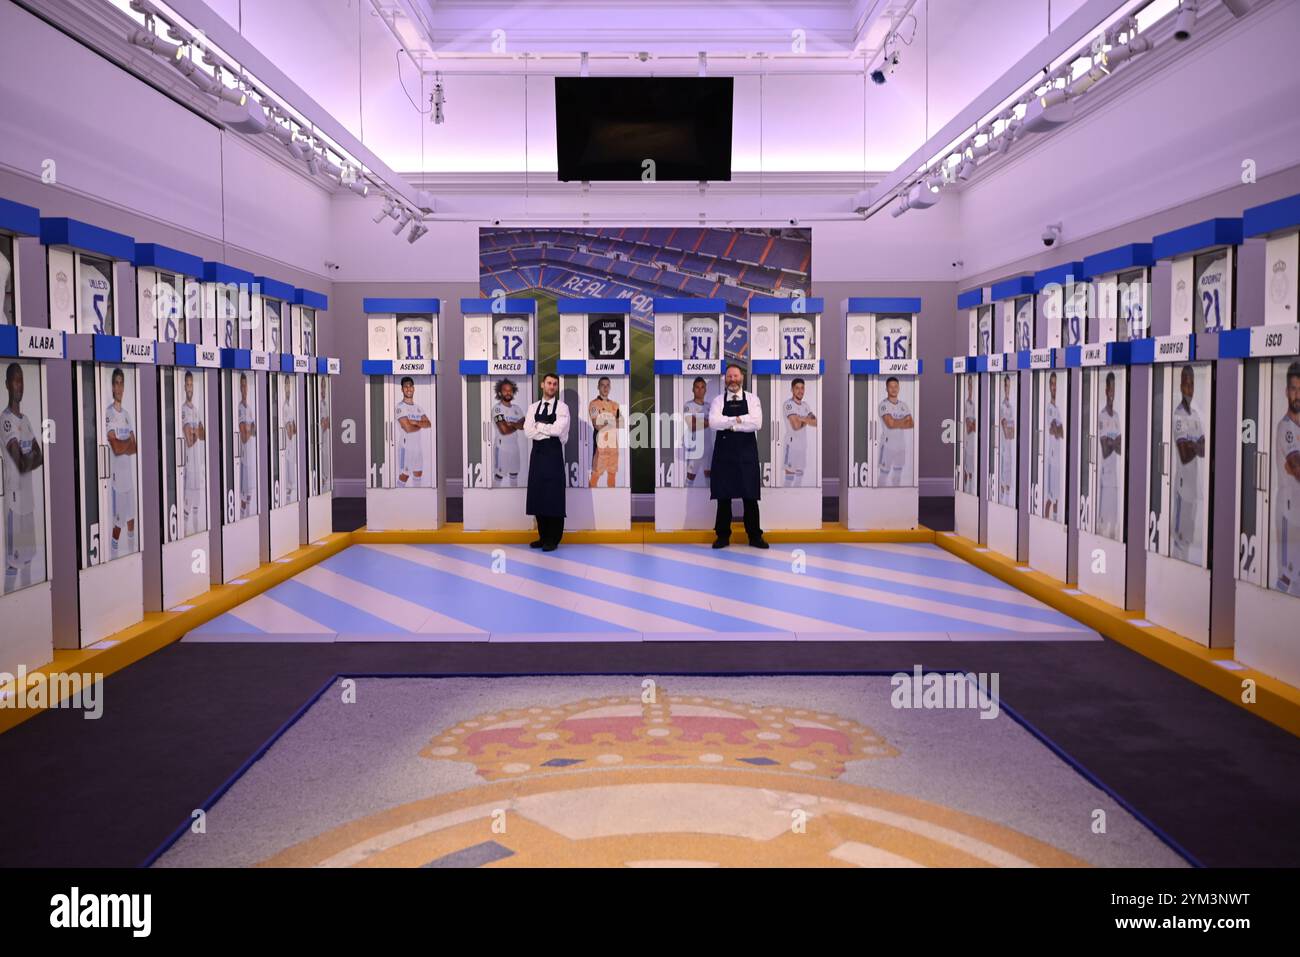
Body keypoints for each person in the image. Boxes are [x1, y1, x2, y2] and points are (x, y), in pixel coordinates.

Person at [708, 364, 767, 549]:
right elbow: (713, 423)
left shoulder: (752, 399)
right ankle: (723, 536)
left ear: (742, 377)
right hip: (724, 455)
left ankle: (755, 536)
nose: (732, 379)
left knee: (750, 496)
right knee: (723, 497)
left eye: (735, 376)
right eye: (729, 376)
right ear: (725, 379)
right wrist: (740, 419)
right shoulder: (718, 400)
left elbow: (757, 423)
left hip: (746, 454)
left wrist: (730, 424)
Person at [2, 363, 42, 592]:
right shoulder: (5, 420)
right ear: (7, 384)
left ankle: (29, 612)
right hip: (15, 507)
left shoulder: (25, 420)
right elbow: (22, 462)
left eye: (21, 380)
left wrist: (30, 459)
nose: (19, 385)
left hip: (29, 505)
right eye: (15, 380)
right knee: (12, 565)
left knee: (27, 563)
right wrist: (30, 458)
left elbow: (39, 457)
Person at [525, 373, 569, 551]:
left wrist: (539, 426)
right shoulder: (532, 407)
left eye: (555, 384)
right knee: (538, 496)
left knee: (554, 498)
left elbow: (558, 430)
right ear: (542, 385)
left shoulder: (563, 408)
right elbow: (528, 432)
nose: (552, 386)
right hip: (537, 457)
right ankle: (543, 537)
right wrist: (545, 430)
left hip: (554, 457)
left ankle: (553, 539)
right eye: (549, 383)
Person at [1171, 364, 1206, 562]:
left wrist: (1193, 445)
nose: (1189, 389)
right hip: (1182, 488)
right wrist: (1195, 445)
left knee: (1189, 536)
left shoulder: (1195, 415)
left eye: (1192, 385)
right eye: (1186, 384)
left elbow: (1204, 448)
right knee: (1180, 539)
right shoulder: (1179, 415)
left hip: (1194, 487)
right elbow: (1184, 454)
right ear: (1180, 386)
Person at [106, 367, 137, 556]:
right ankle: (114, 557)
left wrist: (122, 443)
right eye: (115, 383)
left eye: (121, 383)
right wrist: (125, 444)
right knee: (117, 527)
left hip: (129, 482)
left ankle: (133, 555)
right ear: (112, 387)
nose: (118, 387)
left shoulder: (127, 415)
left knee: (131, 521)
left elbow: (135, 447)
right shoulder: (109, 414)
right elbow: (116, 449)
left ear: (124, 387)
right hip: (117, 483)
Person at [1275, 362, 1300, 595]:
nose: (1298, 395)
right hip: (1288, 512)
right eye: (1294, 389)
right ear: (1286, 392)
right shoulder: (1285, 428)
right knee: (1286, 577)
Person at [1097, 371, 1123, 539]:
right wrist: (1114, 442)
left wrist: (1111, 441)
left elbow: (1120, 448)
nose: (1112, 393)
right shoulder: (1102, 416)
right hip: (1105, 476)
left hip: (1115, 478)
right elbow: (1105, 451)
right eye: (1110, 389)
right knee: (1104, 525)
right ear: (1106, 390)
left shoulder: (1118, 417)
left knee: (1114, 524)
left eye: (1114, 389)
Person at [180, 370, 206, 535]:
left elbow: (202, 434)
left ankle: (197, 537)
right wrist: (196, 430)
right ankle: (183, 537)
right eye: (187, 384)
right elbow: (189, 440)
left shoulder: (196, 410)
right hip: (189, 468)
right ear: (184, 386)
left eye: (191, 384)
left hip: (199, 468)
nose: (190, 387)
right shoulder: (183, 410)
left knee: (197, 509)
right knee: (187, 509)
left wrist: (195, 430)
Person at [394, 375, 431, 488]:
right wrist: (420, 424)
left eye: (410, 386)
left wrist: (414, 422)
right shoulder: (400, 407)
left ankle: (416, 498)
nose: (408, 389)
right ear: (402, 389)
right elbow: (408, 428)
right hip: (406, 448)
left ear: (414, 388)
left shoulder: (418, 408)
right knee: (405, 475)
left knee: (418, 473)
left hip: (417, 448)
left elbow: (428, 424)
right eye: (405, 387)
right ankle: (398, 498)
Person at [877, 376, 914, 487]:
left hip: (901, 446)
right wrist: (903, 421)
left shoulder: (903, 405)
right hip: (887, 446)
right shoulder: (883, 405)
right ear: (886, 389)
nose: (893, 389)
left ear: (899, 388)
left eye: (896, 386)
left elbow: (911, 423)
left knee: (898, 474)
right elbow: (890, 424)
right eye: (891, 387)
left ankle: (896, 498)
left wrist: (895, 421)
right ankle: (879, 497)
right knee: (884, 474)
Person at [782, 377, 816, 487]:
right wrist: (807, 419)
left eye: (802, 388)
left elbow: (815, 422)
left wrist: (801, 418)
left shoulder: (805, 405)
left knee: (799, 479)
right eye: (797, 388)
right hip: (791, 446)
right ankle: (786, 500)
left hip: (802, 446)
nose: (800, 391)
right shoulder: (788, 404)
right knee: (789, 479)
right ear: (792, 390)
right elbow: (796, 426)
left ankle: (797, 503)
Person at [588, 376, 622, 488]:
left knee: (612, 474)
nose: (605, 388)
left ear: (610, 387)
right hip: (600, 443)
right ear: (598, 387)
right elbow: (597, 425)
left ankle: (612, 501)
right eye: (603, 385)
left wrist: (605, 421)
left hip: (613, 444)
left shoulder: (615, 405)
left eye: (607, 385)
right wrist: (612, 421)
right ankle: (591, 499)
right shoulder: (594, 404)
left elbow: (620, 423)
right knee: (596, 473)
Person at [492, 378, 525, 487]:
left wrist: (511, 424)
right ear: (500, 392)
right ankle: (494, 499)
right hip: (502, 448)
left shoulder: (517, 409)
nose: (508, 392)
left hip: (515, 447)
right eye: (505, 390)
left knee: (514, 475)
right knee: (499, 476)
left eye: (510, 390)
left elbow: (524, 425)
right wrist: (517, 424)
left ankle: (514, 499)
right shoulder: (497, 409)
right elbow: (504, 430)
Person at [683, 376, 713, 487]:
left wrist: (698, 419)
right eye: (697, 387)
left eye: (702, 387)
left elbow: (714, 422)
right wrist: (708, 421)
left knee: (709, 480)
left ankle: (708, 504)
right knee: (689, 479)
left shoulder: (710, 406)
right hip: (695, 449)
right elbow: (692, 425)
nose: (700, 390)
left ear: (705, 390)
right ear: (693, 389)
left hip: (708, 448)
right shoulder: (688, 405)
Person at [1044, 372, 1064, 521]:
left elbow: (1061, 432)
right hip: (1051, 458)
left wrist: (1058, 429)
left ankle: (1055, 521)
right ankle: (1045, 521)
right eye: (1052, 384)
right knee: (1050, 498)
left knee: (1057, 498)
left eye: (1056, 383)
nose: (1054, 387)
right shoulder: (1049, 408)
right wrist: (1058, 428)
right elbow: (1054, 430)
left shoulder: (1058, 408)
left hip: (1059, 460)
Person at [963, 376, 977, 494]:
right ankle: (966, 490)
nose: (970, 387)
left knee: (972, 468)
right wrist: (972, 424)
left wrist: (973, 424)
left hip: (974, 441)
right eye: (969, 384)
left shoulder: (976, 403)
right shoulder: (966, 403)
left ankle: (971, 490)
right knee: (966, 467)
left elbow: (975, 426)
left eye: (972, 384)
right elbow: (969, 428)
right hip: (967, 441)